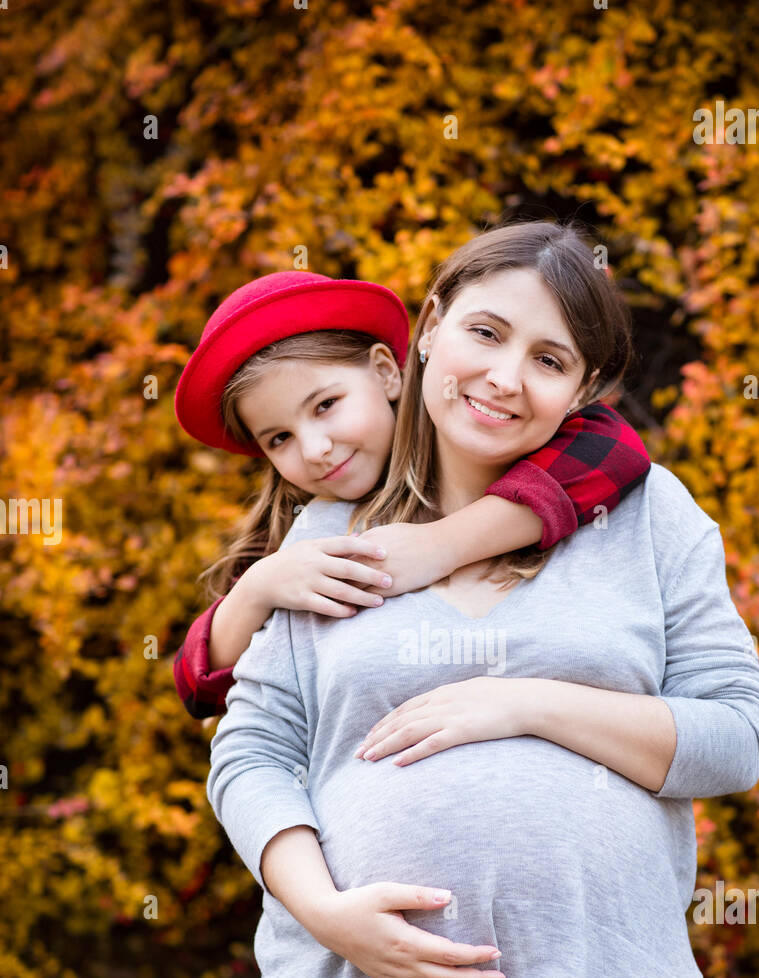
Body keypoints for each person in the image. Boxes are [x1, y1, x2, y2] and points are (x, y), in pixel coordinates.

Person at [205, 218, 759, 978]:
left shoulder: (650, 518)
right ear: (426, 332)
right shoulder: (329, 536)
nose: (506, 377)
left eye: (549, 359)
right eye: (487, 332)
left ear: (582, 389)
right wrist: (326, 910)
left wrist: (523, 704)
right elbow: (251, 753)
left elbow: (732, 736)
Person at [172, 269, 651, 719]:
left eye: (325, 405)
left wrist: (442, 545)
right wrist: (257, 588)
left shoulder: (467, 437)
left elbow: (615, 449)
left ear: (384, 371)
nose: (315, 449)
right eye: (279, 438)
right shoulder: (306, 529)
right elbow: (200, 689)